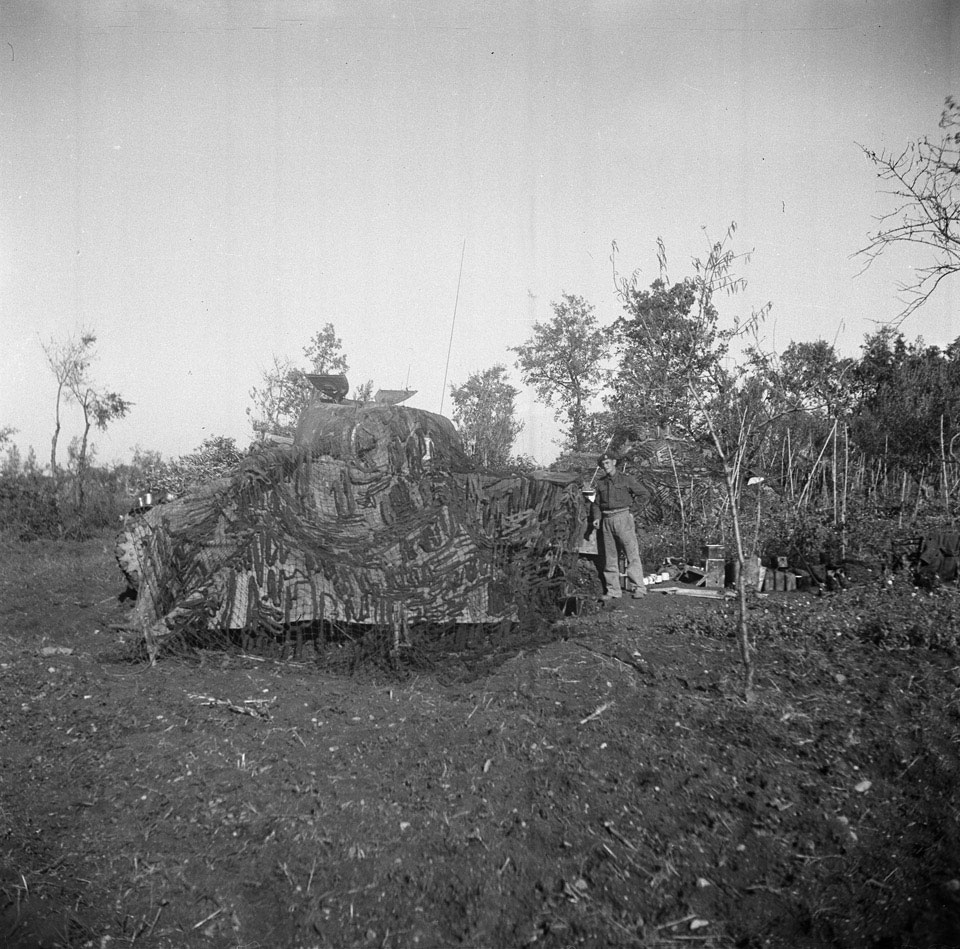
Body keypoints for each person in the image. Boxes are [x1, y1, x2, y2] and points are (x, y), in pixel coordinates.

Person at [590, 452, 648, 602]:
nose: (605, 466)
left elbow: (644, 494)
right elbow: (596, 503)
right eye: (603, 464)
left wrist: (632, 512)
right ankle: (613, 590)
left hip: (623, 518)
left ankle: (639, 588)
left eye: (608, 462)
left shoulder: (626, 479)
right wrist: (597, 518)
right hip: (606, 520)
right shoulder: (601, 483)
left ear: (614, 462)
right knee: (610, 557)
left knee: (631, 554)